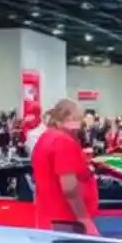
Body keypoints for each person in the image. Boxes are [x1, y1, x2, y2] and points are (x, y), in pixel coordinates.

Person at [31, 100, 98, 234]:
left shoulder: (44, 138)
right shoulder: (64, 142)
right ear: (68, 119)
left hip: (47, 217)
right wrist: (85, 220)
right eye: (78, 120)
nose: (80, 126)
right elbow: (69, 188)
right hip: (66, 220)